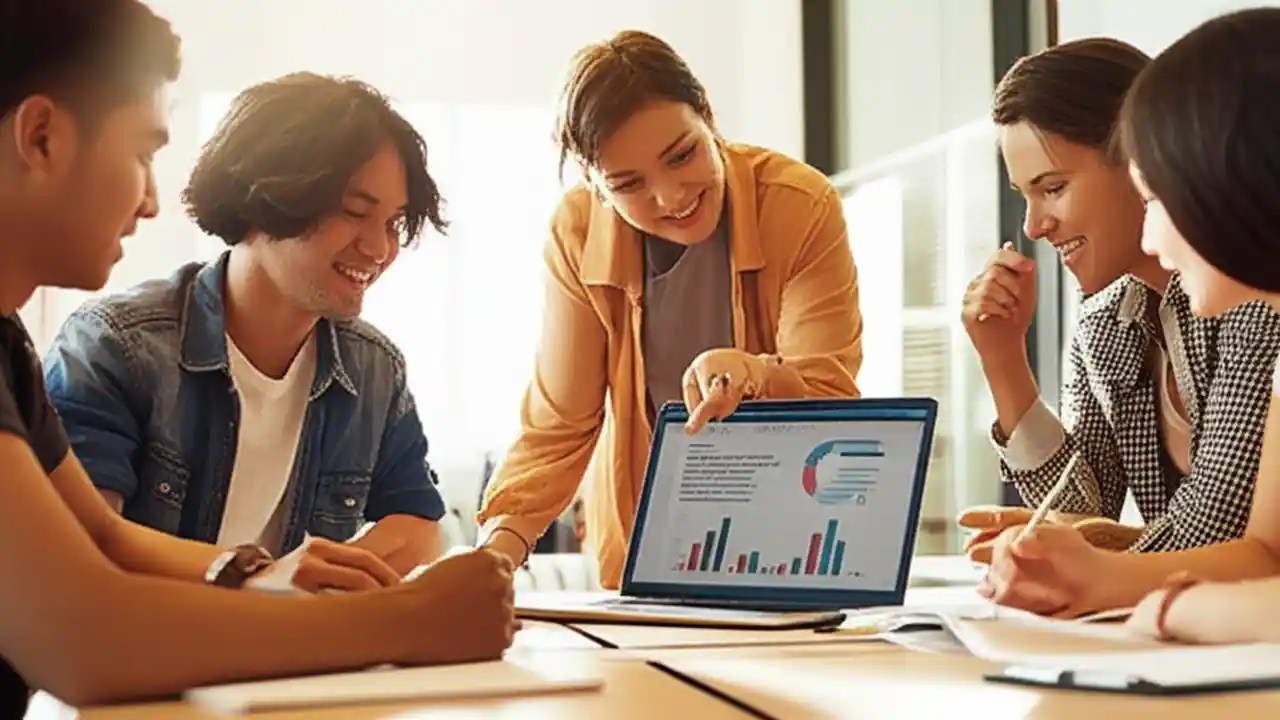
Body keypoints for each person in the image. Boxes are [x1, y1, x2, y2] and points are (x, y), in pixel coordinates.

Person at [0, 1, 513, 712]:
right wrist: (406, 620)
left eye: (393, 222)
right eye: (143, 154)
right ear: (42, 137)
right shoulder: (116, 342)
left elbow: (104, 535)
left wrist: (252, 575)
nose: (151, 202)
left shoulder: (8, 346)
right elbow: (80, 633)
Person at [477, 30, 863, 587]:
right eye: (627, 184)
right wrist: (494, 558)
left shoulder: (799, 204)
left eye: (683, 155)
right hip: (642, 542)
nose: (671, 196)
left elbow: (830, 394)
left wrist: (755, 374)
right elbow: (559, 426)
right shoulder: (577, 230)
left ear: (707, 115)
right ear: (596, 185)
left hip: (785, 540)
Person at [43, 72, 449, 586]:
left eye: (394, 223)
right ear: (267, 196)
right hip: (148, 636)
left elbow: (419, 523)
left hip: (281, 640)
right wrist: (264, 583)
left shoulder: (373, 369)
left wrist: (322, 581)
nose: (379, 248)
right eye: (354, 212)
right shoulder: (117, 348)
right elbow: (83, 556)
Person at [980, 8, 1280, 631]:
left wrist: (1100, 565)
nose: (1033, 226)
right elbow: (1085, 501)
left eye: (1053, 187)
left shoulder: (1254, 301)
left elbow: (1224, 532)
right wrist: (1003, 360)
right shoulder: (1108, 321)